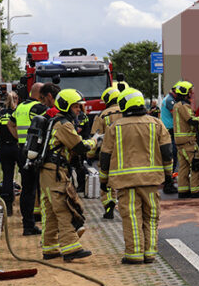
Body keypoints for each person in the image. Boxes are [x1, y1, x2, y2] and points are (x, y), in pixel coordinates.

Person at [99, 88, 174, 264]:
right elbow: (167, 152)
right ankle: (150, 254)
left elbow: (105, 156)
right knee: (151, 217)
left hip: (126, 183)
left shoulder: (115, 127)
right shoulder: (156, 124)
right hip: (151, 181)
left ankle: (134, 254)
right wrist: (168, 175)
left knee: (132, 217)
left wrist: (104, 181)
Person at [38, 88, 95, 261]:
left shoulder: (54, 121)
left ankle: (50, 248)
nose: (79, 110)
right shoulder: (64, 124)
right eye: (76, 107)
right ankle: (70, 248)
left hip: (47, 171)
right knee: (64, 208)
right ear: (66, 106)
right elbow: (78, 147)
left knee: (49, 211)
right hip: (55, 172)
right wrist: (95, 141)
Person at [0, 92, 39, 235]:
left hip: (4, 148)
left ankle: (8, 206)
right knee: (26, 179)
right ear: (17, 99)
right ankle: (28, 211)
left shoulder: (0, 114)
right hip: (18, 147)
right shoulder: (20, 111)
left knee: (7, 176)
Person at [13, 83, 48, 232]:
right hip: (34, 151)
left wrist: (21, 139)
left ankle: (27, 222)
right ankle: (32, 223)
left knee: (26, 188)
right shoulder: (38, 108)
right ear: (40, 94)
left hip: (22, 149)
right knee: (34, 188)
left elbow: (10, 124)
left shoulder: (20, 106)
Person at [88, 86, 123, 219]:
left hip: (108, 153)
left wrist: (90, 155)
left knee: (107, 180)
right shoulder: (127, 111)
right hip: (126, 152)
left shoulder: (102, 115)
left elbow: (95, 137)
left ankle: (109, 203)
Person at [170, 81, 199, 198]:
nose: (192, 93)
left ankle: (183, 190)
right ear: (185, 92)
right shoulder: (184, 106)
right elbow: (192, 120)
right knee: (196, 164)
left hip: (180, 141)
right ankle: (196, 190)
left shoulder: (176, 105)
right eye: (190, 91)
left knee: (184, 167)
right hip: (188, 141)